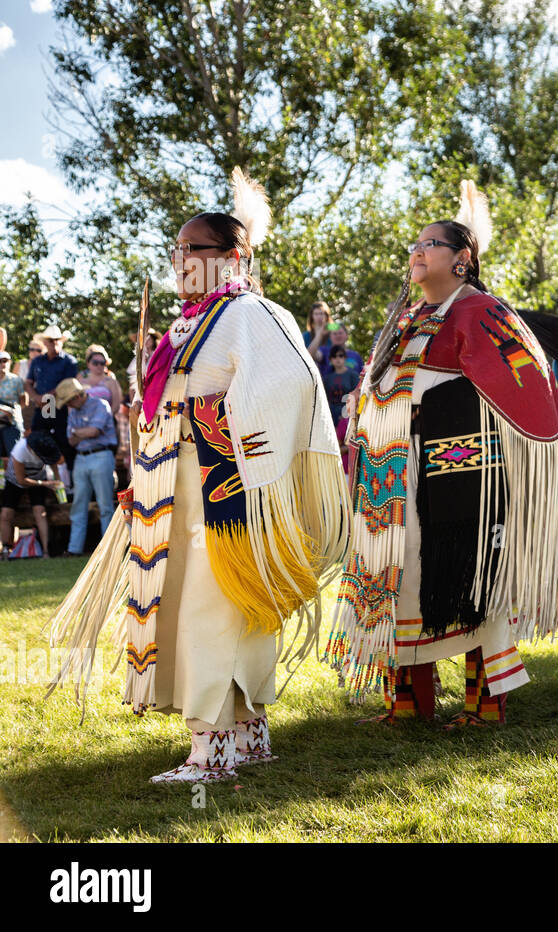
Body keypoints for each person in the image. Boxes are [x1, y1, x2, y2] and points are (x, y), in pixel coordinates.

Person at [48, 168, 349, 783]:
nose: (181, 259)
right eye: (177, 249)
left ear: (233, 256)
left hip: (223, 486)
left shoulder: (251, 313)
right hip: (174, 487)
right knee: (192, 600)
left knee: (218, 604)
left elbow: (292, 382)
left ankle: (210, 746)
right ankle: (245, 732)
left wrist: (208, 419)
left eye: (194, 249)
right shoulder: (187, 323)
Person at [328, 182, 558, 725]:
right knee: (399, 576)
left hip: (458, 468)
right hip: (392, 470)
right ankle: (408, 698)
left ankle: (485, 701)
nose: (417, 252)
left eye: (430, 244)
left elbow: (524, 386)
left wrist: (438, 408)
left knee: (465, 576)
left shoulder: (482, 313)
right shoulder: (405, 316)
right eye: (414, 245)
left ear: (462, 259)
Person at [58, 377, 117, 556]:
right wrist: (82, 433)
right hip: (81, 458)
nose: (67, 405)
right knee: (78, 505)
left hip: (101, 455)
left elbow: (94, 431)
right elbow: (71, 440)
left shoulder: (100, 405)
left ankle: (109, 549)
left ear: (76, 396)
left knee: (105, 505)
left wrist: (79, 432)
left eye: (68, 401)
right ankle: (74, 549)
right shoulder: (73, 411)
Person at [25, 325, 79, 469]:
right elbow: (28, 383)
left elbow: (67, 384)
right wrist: (36, 397)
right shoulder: (37, 361)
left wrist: (47, 396)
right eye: (50, 340)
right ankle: (41, 478)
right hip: (42, 407)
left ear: (61, 341)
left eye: (56, 340)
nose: (54, 343)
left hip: (60, 407)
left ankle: (70, 483)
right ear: (45, 342)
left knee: (64, 442)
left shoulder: (69, 361)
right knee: (37, 440)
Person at [0, 431, 61, 556]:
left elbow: (54, 465)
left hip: (38, 478)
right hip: (15, 481)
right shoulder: (20, 451)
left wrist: (58, 481)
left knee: (40, 512)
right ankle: (6, 550)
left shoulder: (47, 448)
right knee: (6, 514)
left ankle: (46, 551)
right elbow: (21, 480)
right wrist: (44, 484)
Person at [321, 344, 360, 426]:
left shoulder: (353, 376)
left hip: (348, 416)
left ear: (345, 358)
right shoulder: (327, 379)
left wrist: (346, 414)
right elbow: (324, 399)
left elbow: (356, 395)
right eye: (334, 356)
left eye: (340, 355)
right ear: (330, 360)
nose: (338, 358)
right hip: (331, 416)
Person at [79, 344, 124, 415]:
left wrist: (104, 419)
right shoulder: (80, 379)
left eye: (102, 363)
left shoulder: (111, 380)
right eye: (95, 363)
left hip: (105, 420)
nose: (99, 366)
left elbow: (116, 405)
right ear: (88, 363)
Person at [0, 350, 24, 457]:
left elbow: (23, 401)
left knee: (14, 457)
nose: (3, 364)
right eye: (0, 361)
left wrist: (13, 412)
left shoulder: (16, 380)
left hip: (12, 424)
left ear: (10, 362)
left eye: (5, 361)